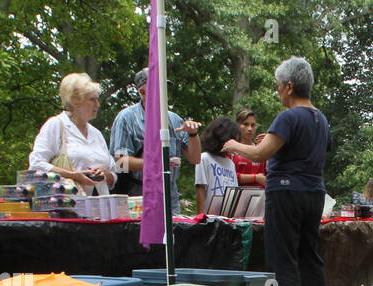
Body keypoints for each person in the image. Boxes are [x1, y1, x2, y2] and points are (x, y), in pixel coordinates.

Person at [223, 57, 330, 286]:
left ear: (290, 86)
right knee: (310, 250)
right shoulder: (321, 118)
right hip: (314, 191)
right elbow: (303, 150)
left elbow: (260, 153)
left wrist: (234, 144)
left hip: (285, 191)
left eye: (279, 86)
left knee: (285, 252)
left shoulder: (288, 116)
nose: (278, 91)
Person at [108, 68, 201, 209]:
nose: (163, 92)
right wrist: (157, 164)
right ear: (142, 92)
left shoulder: (175, 119)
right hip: (138, 197)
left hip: (170, 198)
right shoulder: (126, 118)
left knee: (172, 231)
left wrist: (193, 134)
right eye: (157, 87)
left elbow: (195, 159)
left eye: (164, 87)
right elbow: (121, 163)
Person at [28, 73, 117, 193]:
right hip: (67, 205)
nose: (98, 104)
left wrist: (107, 175)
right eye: (92, 99)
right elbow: (36, 165)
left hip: (100, 206)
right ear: (76, 101)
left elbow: (113, 171)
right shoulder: (56, 125)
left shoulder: (96, 134)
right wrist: (73, 175)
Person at [195, 118, 240, 215]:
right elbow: (200, 189)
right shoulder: (204, 159)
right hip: (210, 219)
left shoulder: (230, 163)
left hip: (227, 218)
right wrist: (201, 219)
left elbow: (234, 193)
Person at [230, 109, 267, 188]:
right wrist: (255, 178)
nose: (249, 129)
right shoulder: (231, 148)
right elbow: (228, 175)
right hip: (237, 195)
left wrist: (270, 144)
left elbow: (271, 174)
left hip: (260, 197)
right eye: (245, 124)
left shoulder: (261, 149)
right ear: (237, 125)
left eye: (253, 125)